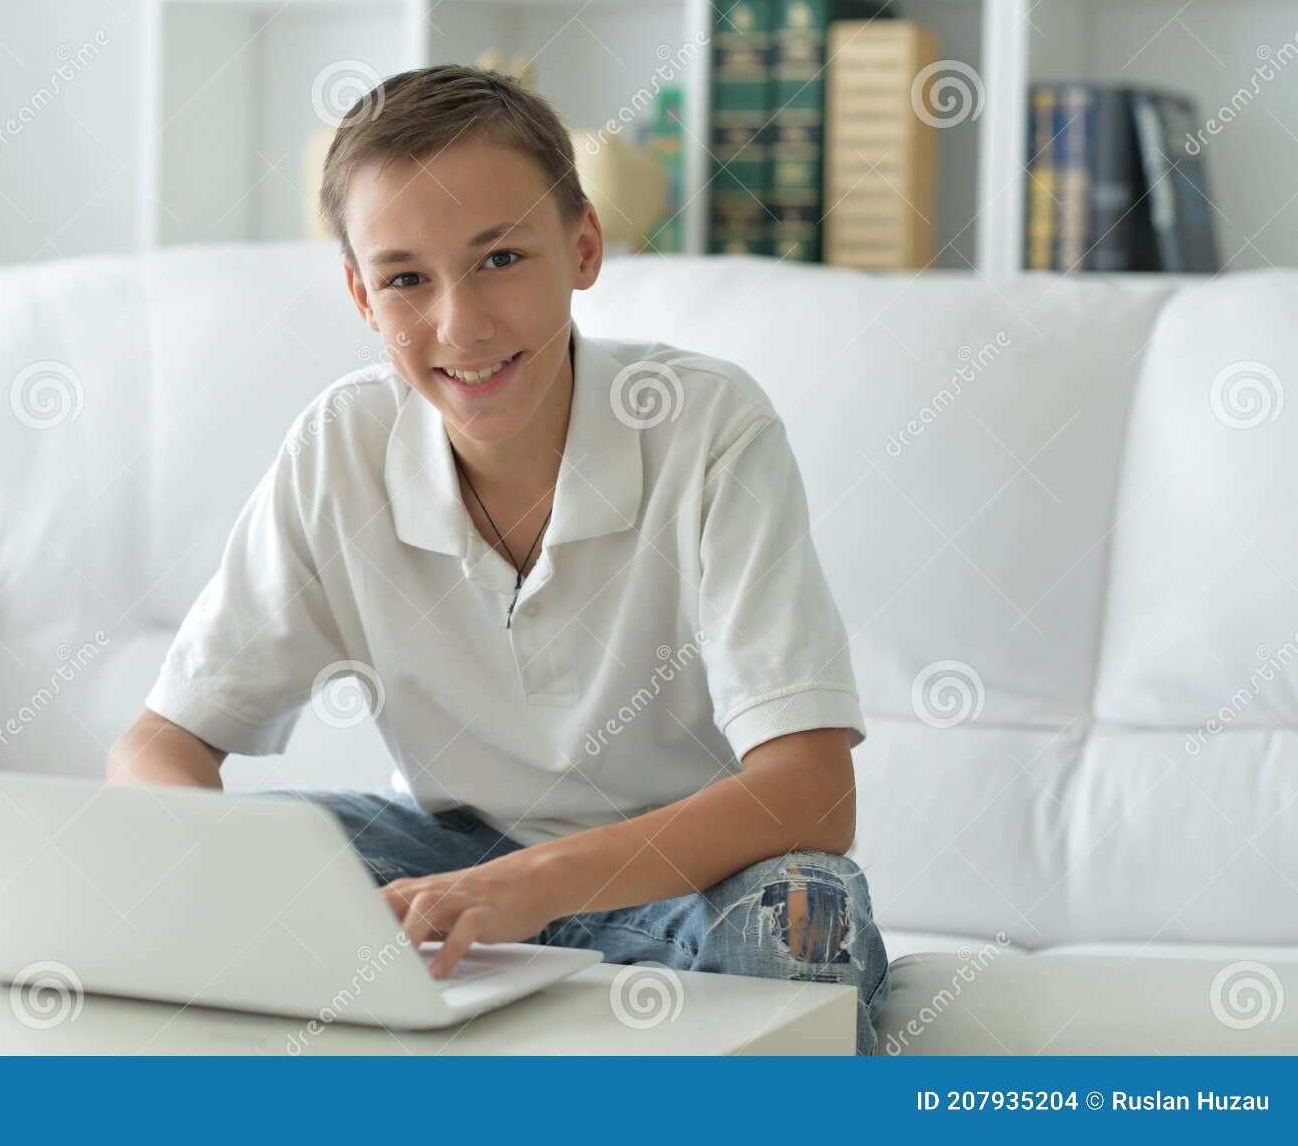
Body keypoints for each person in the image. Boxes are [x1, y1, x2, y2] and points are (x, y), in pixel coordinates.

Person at [106, 64, 891, 1054]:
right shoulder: (341, 446)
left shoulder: (706, 424)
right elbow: (157, 748)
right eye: (404, 280)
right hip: (452, 863)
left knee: (797, 917)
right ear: (360, 294)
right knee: (265, 858)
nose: (460, 326)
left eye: (501, 259)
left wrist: (528, 889)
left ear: (583, 247)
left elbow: (812, 791)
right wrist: (208, 870)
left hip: (692, 878)